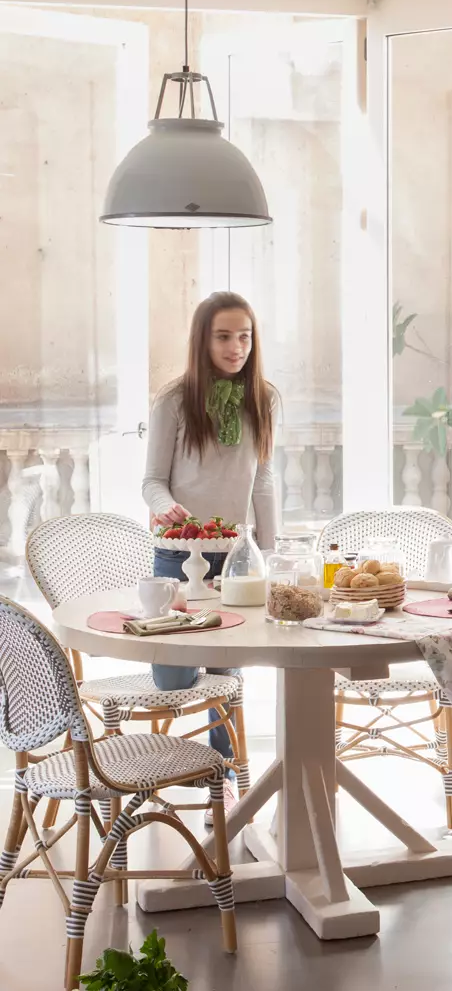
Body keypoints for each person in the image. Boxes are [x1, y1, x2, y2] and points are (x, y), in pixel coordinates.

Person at [143, 291, 278, 768]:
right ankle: (163, 762)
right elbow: (152, 481)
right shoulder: (174, 401)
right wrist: (167, 507)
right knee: (173, 678)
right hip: (178, 554)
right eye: (223, 336)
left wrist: (269, 549)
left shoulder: (263, 398)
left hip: (237, 557)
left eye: (244, 336)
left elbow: (263, 478)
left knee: (227, 672)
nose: (236, 346)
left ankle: (226, 774)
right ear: (202, 339)